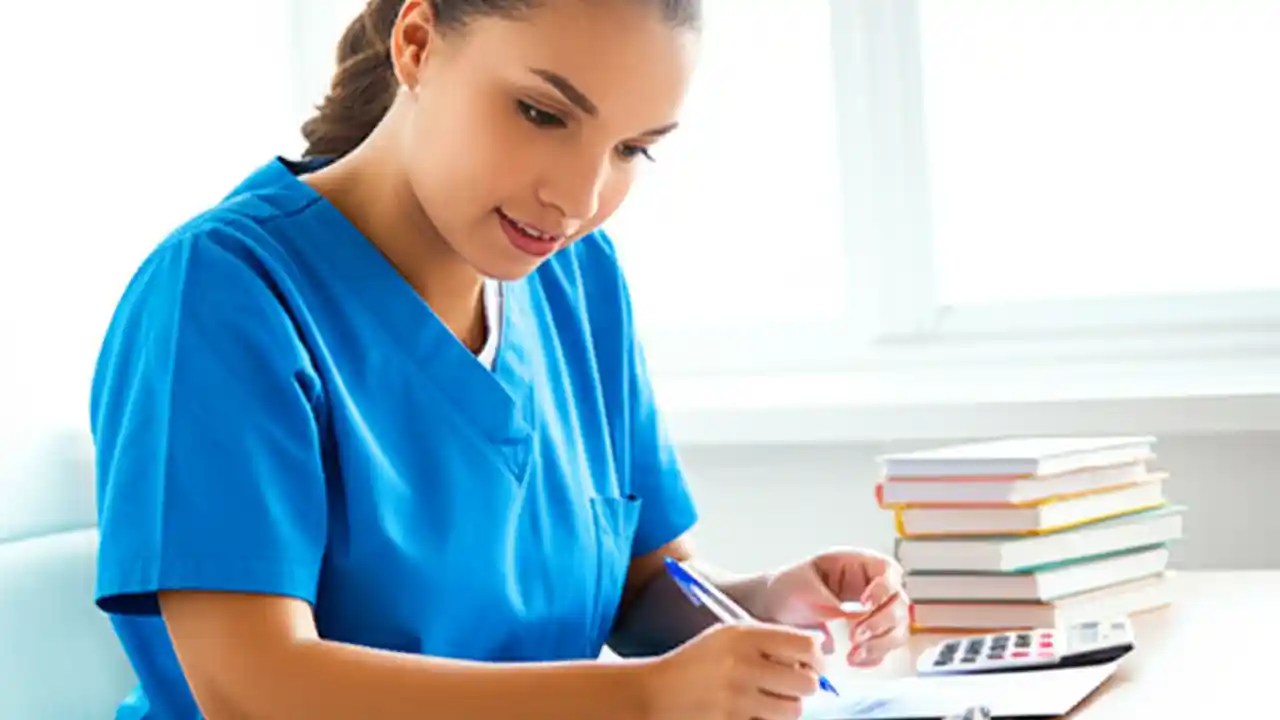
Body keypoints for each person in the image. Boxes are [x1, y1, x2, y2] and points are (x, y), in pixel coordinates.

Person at [88, 1, 911, 718]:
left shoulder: (577, 283)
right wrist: (645, 698)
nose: (580, 199)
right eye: (541, 114)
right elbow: (254, 688)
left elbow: (643, 584)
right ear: (417, 44)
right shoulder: (225, 293)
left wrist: (764, 609)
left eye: (632, 149)